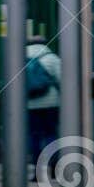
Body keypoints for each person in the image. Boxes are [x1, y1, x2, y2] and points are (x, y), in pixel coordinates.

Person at [25, 32, 62, 169]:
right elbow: (62, 79)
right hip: (51, 103)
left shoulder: (21, 58)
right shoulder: (51, 58)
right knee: (50, 134)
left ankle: (36, 167)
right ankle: (52, 166)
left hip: (30, 104)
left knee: (34, 135)